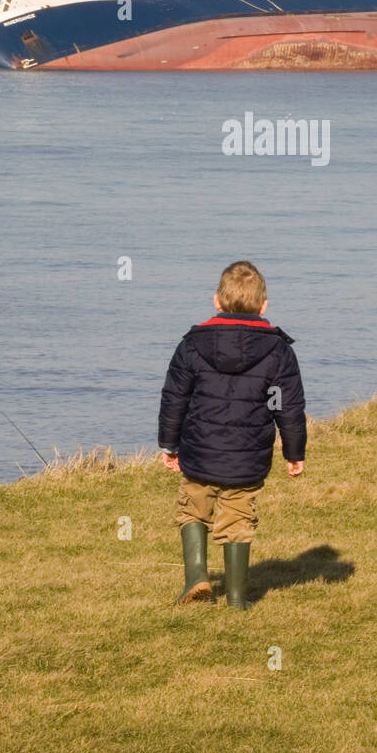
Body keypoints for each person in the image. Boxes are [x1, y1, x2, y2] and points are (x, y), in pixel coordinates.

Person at [158, 261, 307, 609]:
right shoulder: (279, 351)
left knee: (193, 511)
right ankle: (238, 599)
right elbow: (288, 407)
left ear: (217, 302)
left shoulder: (192, 345)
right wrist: (294, 452)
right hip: (247, 457)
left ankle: (196, 578)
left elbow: (174, 397)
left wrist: (169, 443)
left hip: (199, 451)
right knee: (238, 519)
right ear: (263, 306)